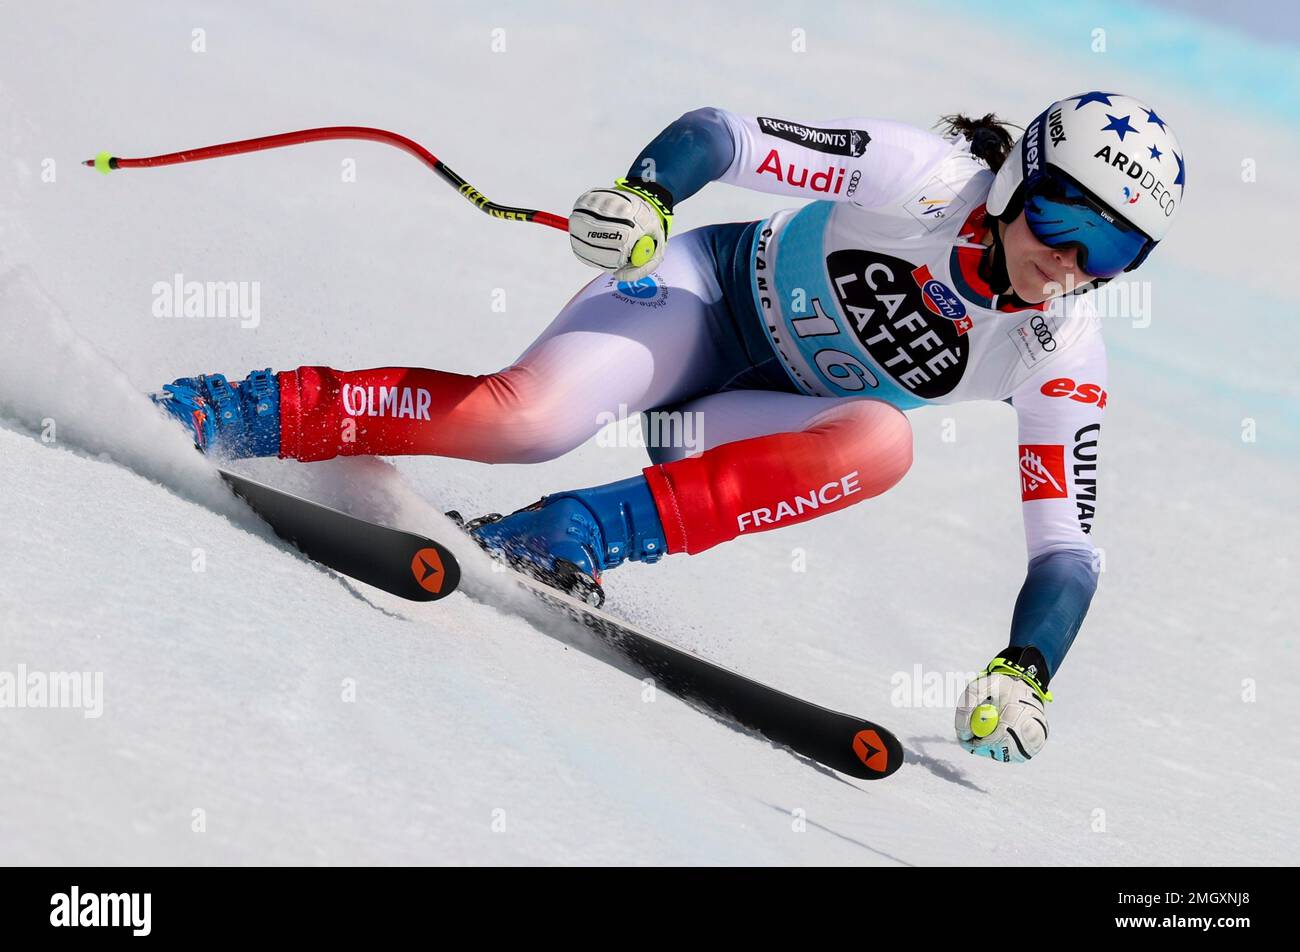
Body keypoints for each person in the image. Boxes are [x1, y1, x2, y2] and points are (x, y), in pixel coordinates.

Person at [153, 92, 1185, 763]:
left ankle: (564, 535)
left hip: (722, 424)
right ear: (1014, 182)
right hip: (697, 304)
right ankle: (235, 408)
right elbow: (726, 136)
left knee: (885, 441)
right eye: (1062, 219)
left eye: (1113, 251)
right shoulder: (921, 178)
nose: (1071, 262)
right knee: (527, 420)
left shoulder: (1061, 345)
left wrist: (1027, 666)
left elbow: (1067, 543)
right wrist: (649, 193)